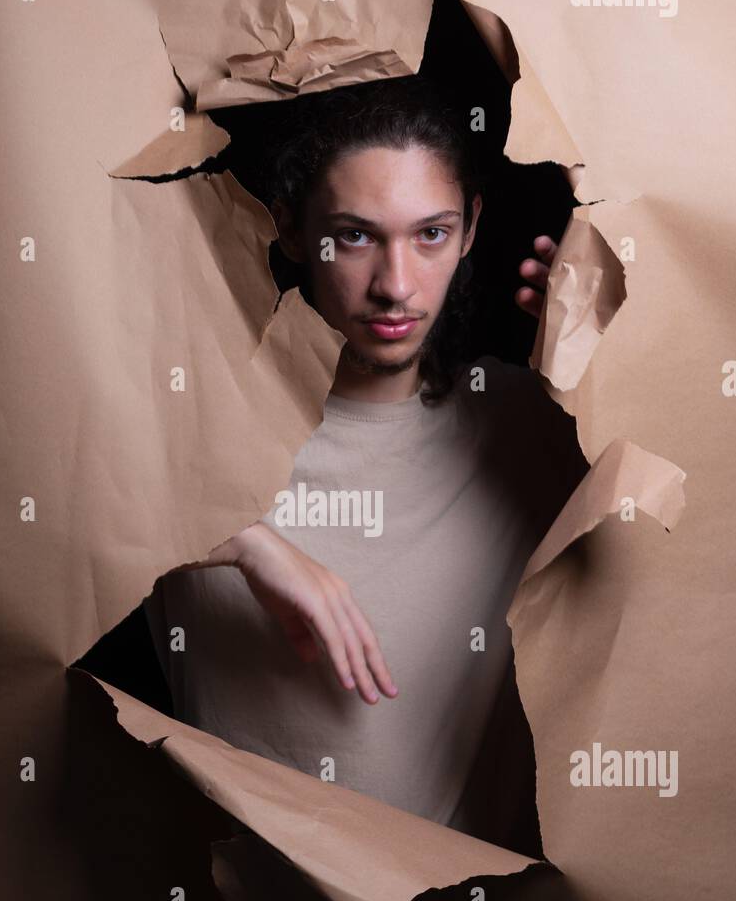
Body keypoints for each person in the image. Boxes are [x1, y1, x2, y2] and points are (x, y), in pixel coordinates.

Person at [144, 76, 587, 837]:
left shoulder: (528, 425)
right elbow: (6, 478)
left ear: (472, 228)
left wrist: (605, 358)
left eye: (430, 234)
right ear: (288, 227)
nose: (396, 286)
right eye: (354, 235)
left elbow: (711, 520)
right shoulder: (185, 430)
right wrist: (251, 545)